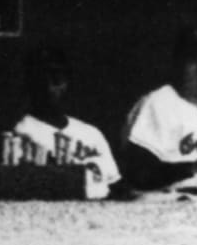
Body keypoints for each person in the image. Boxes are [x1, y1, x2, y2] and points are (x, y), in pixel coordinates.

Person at [119, 27, 197, 200]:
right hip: (160, 202)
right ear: (179, 65)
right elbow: (136, 175)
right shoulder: (156, 103)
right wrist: (194, 166)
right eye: (193, 61)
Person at [12, 49, 120, 200]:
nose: (49, 88)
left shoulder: (91, 133)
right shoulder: (20, 134)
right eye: (42, 80)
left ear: (67, 84)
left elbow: (115, 186)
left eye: (56, 80)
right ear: (30, 84)